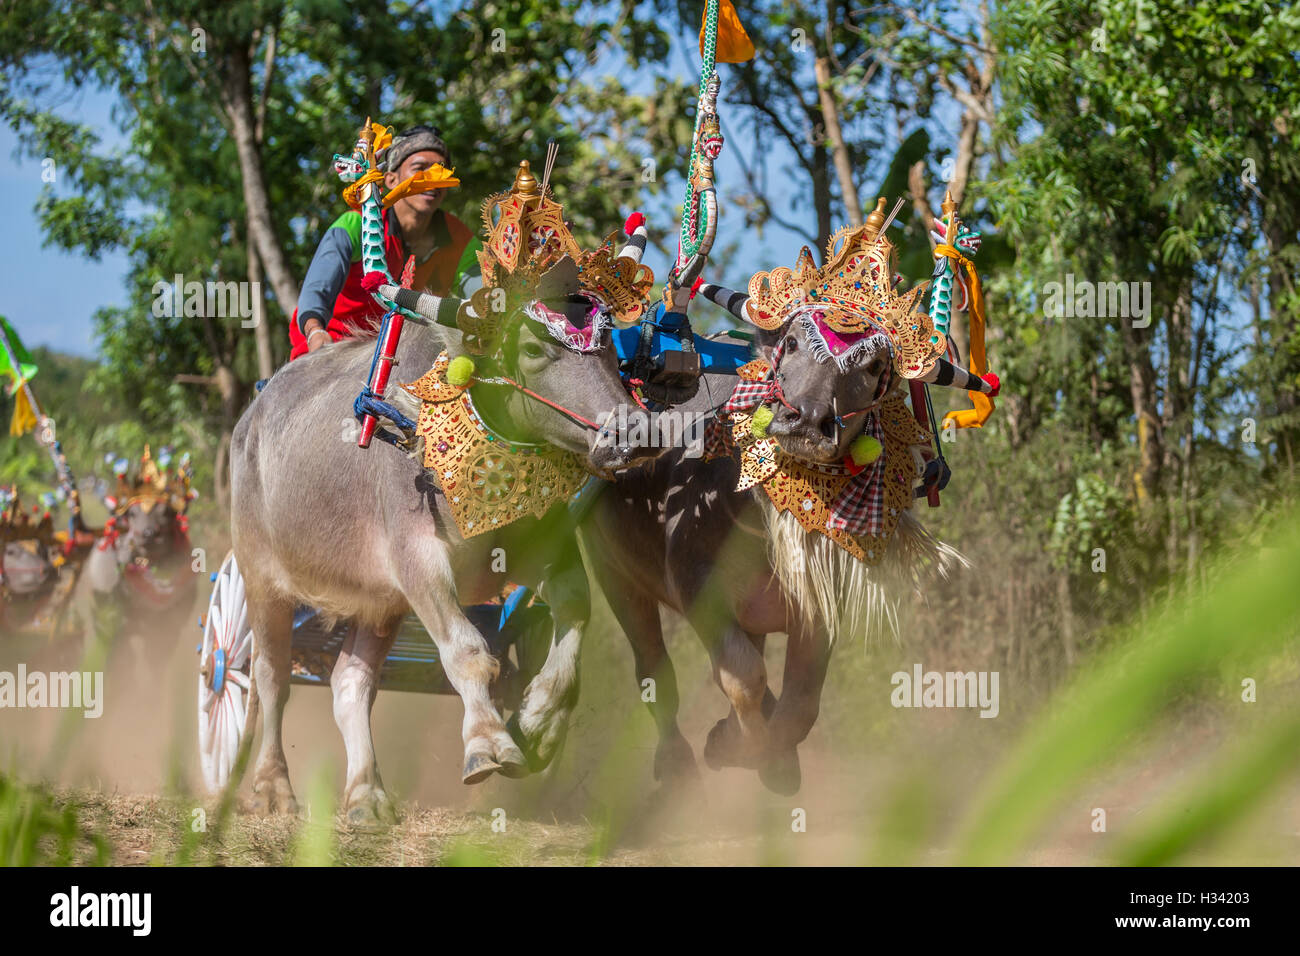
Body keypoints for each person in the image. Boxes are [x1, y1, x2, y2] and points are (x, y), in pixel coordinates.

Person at [288, 125, 476, 359]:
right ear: (390, 179)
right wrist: (315, 332)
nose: (432, 180)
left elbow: (480, 296)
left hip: (402, 360)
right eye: (419, 169)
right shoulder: (355, 224)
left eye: (441, 170)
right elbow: (316, 290)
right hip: (332, 351)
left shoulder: (460, 237)